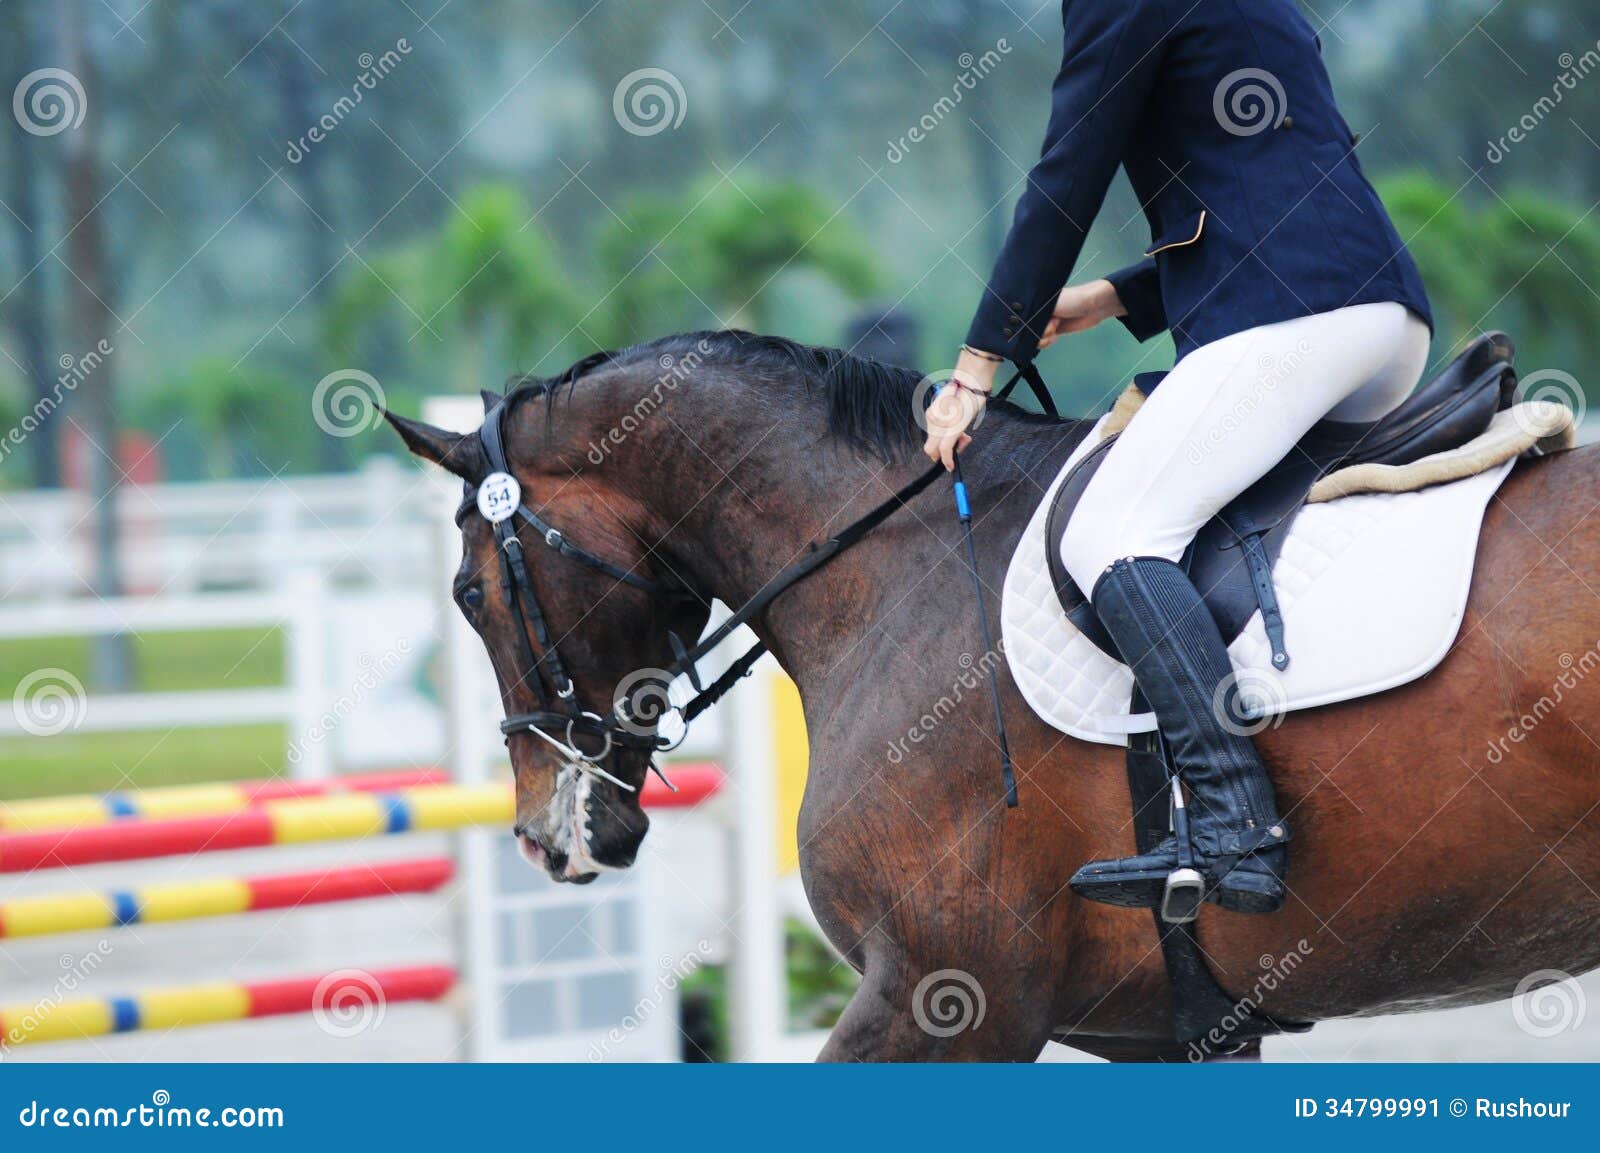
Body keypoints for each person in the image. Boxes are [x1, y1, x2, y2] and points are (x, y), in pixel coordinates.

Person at [923, 0, 1432, 917]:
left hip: (1296, 313)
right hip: (1371, 311)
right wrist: (1115, 297)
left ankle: (1234, 819)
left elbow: (1063, 175)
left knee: (1113, 534)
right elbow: (1273, 178)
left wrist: (974, 366)